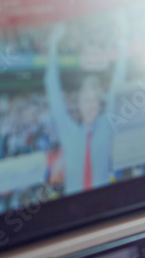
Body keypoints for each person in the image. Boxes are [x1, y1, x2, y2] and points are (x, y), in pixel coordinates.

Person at [44, 13, 128, 195]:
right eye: (87, 99)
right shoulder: (67, 129)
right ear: (79, 102)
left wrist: (123, 39)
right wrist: (53, 44)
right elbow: (52, 88)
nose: (92, 104)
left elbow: (118, 85)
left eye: (95, 99)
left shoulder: (107, 126)